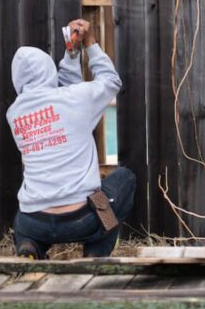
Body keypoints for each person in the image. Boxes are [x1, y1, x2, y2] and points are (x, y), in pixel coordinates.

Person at [7, 18, 132, 259]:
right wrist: (90, 43)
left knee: (26, 207)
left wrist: (71, 54)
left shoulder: (14, 114)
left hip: (34, 221)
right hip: (83, 220)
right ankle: (96, 252)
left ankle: (29, 246)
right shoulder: (76, 99)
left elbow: (62, 96)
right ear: (49, 70)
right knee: (125, 179)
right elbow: (110, 82)